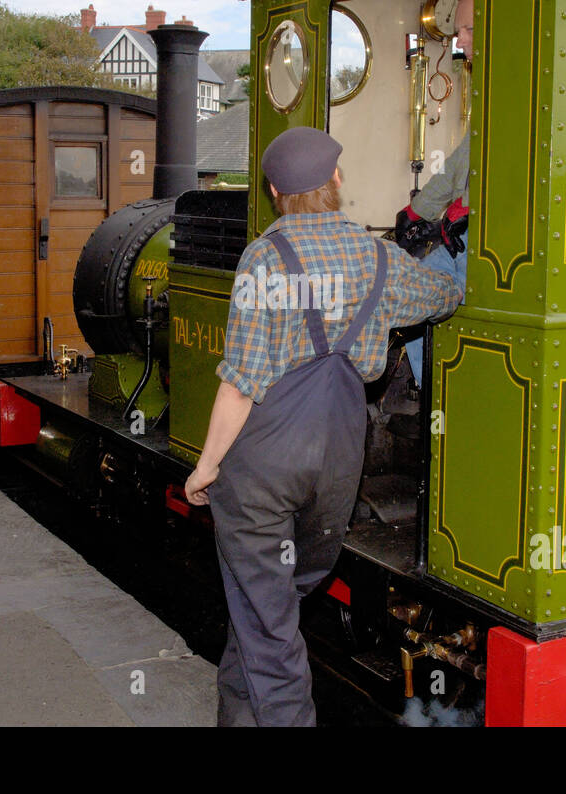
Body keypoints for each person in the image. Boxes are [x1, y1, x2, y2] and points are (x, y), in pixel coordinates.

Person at [184, 126, 461, 726]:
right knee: (268, 609)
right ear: (336, 181)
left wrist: (205, 467)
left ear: (276, 190)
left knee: (270, 628)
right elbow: (442, 296)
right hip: (337, 461)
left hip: (262, 464)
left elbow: (240, 383)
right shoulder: (376, 255)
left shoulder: (263, 257)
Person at [394, 0, 475, 386]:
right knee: (411, 288)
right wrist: (416, 212)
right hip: (460, 240)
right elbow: (459, 164)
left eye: (468, 29)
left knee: (420, 293)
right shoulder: (491, 89)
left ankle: (443, 396)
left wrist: (467, 210)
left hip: (477, 246)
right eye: (458, 29)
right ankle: (429, 393)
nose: (459, 41)